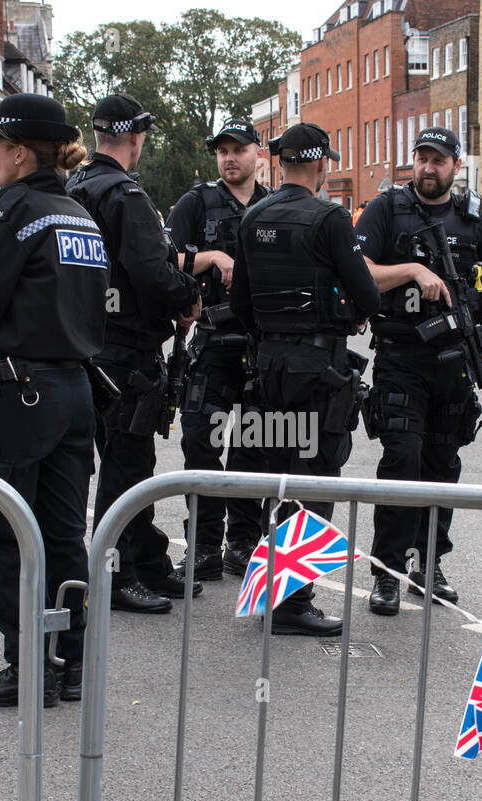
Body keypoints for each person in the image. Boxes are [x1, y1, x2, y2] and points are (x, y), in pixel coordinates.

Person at [0, 94, 107, 707]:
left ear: (18, 152)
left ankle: (27, 664)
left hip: (21, 392)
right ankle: (70, 662)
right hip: (74, 389)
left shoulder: (13, 209)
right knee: (64, 533)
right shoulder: (77, 213)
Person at [356, 127, 482, 615]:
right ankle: (387, 572)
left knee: (443, 466)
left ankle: (426, 565)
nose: (428, 168)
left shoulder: (474, 220)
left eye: (438, 160)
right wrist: (411, 271)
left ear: (456, 166)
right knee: (402, 462)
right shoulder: (386, 209)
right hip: (400, 357)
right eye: (421, 158)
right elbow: (359, 270)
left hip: (454, 362)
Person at [230, 121, 381, 636]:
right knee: (315, 480)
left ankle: (273, 588)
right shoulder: (330, 219)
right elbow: (368, 295)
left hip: (269, 367)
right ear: (322, 164)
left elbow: (240, 304)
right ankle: (292, 602)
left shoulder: (253, 217)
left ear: (280, 162)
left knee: (279, 473)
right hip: (317, 369)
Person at [66, 92, 202, 614]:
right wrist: (187, 294)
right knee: (127, 465)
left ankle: (145, 559)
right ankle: (117, 573)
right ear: (137, 138)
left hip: (86, 345)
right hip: (127, 351)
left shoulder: (75, 187)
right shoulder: (126, 195)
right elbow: (150, 269)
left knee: (123, 458)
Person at [165, 118, 271, 581]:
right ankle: (204, 546)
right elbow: (165, 258)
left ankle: (244, 543)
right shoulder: (196, 203)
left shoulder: (275, 205)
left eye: (239, 149)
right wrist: (212, 257)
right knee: (202, 446)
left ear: (258, 154)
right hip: (210, 342)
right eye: (222, 150)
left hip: (261, 345)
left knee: (255, 447)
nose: (229, 157)